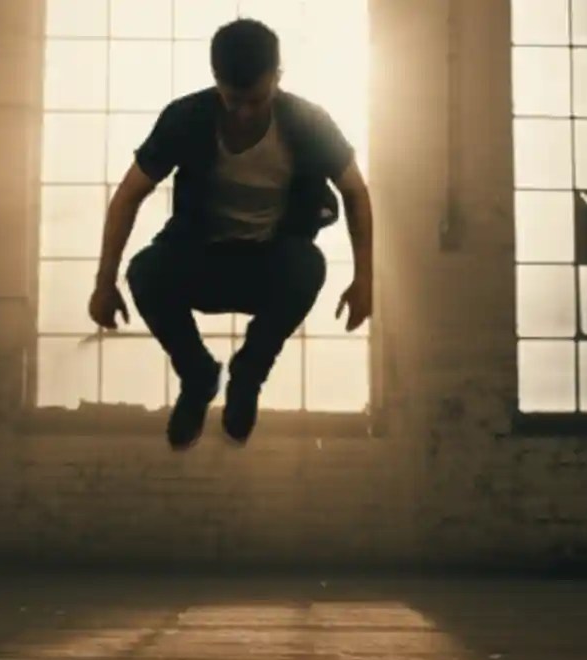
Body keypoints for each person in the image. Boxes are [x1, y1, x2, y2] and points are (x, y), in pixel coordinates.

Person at [87, 18, 374, 449]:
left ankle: (248, 375)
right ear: (216, 81)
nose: (243, 113)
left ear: (276, 79)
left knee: (308, 265)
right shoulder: (186, 118)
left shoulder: (308, 123)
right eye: (233, 100)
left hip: (270, 266)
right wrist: (104, 281)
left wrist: (365, 279)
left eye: (256, 100)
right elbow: (127, 196)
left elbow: (355, 191)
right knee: (145, 270)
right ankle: (198, 376)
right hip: (203, 259)